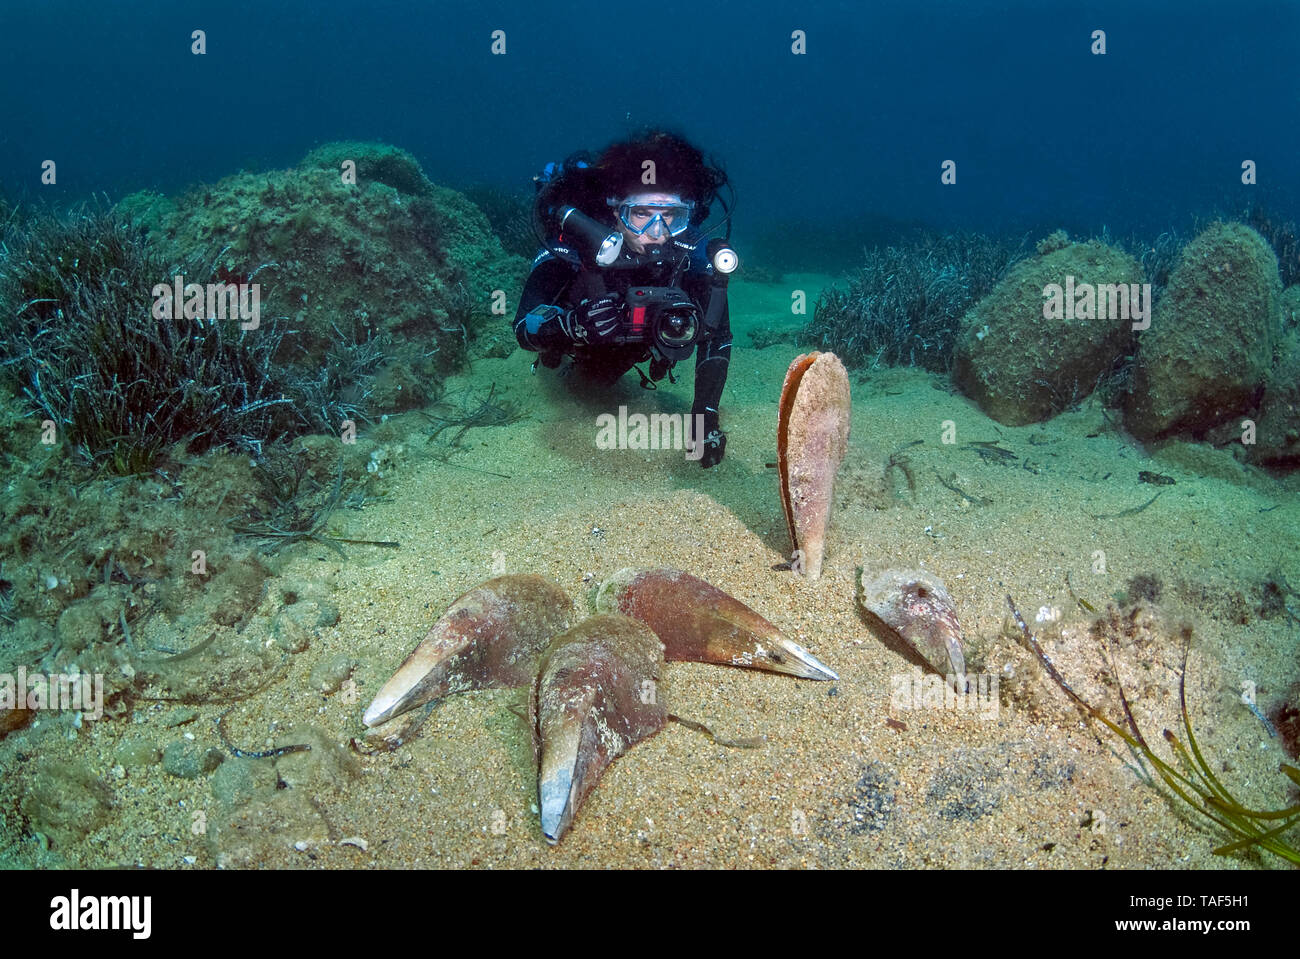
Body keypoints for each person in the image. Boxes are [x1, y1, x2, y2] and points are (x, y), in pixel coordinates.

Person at [513, 130, 734, 468]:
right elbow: (523, 327)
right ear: (615, 212)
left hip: (635, 349)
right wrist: (570, 326)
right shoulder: (576, 248)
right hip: (583, 346)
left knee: (604, 377)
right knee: (591, 382)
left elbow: (717, 336)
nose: (658, 232)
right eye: (642, 214)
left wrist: (705, 417)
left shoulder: (689, 256)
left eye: (671, 216)